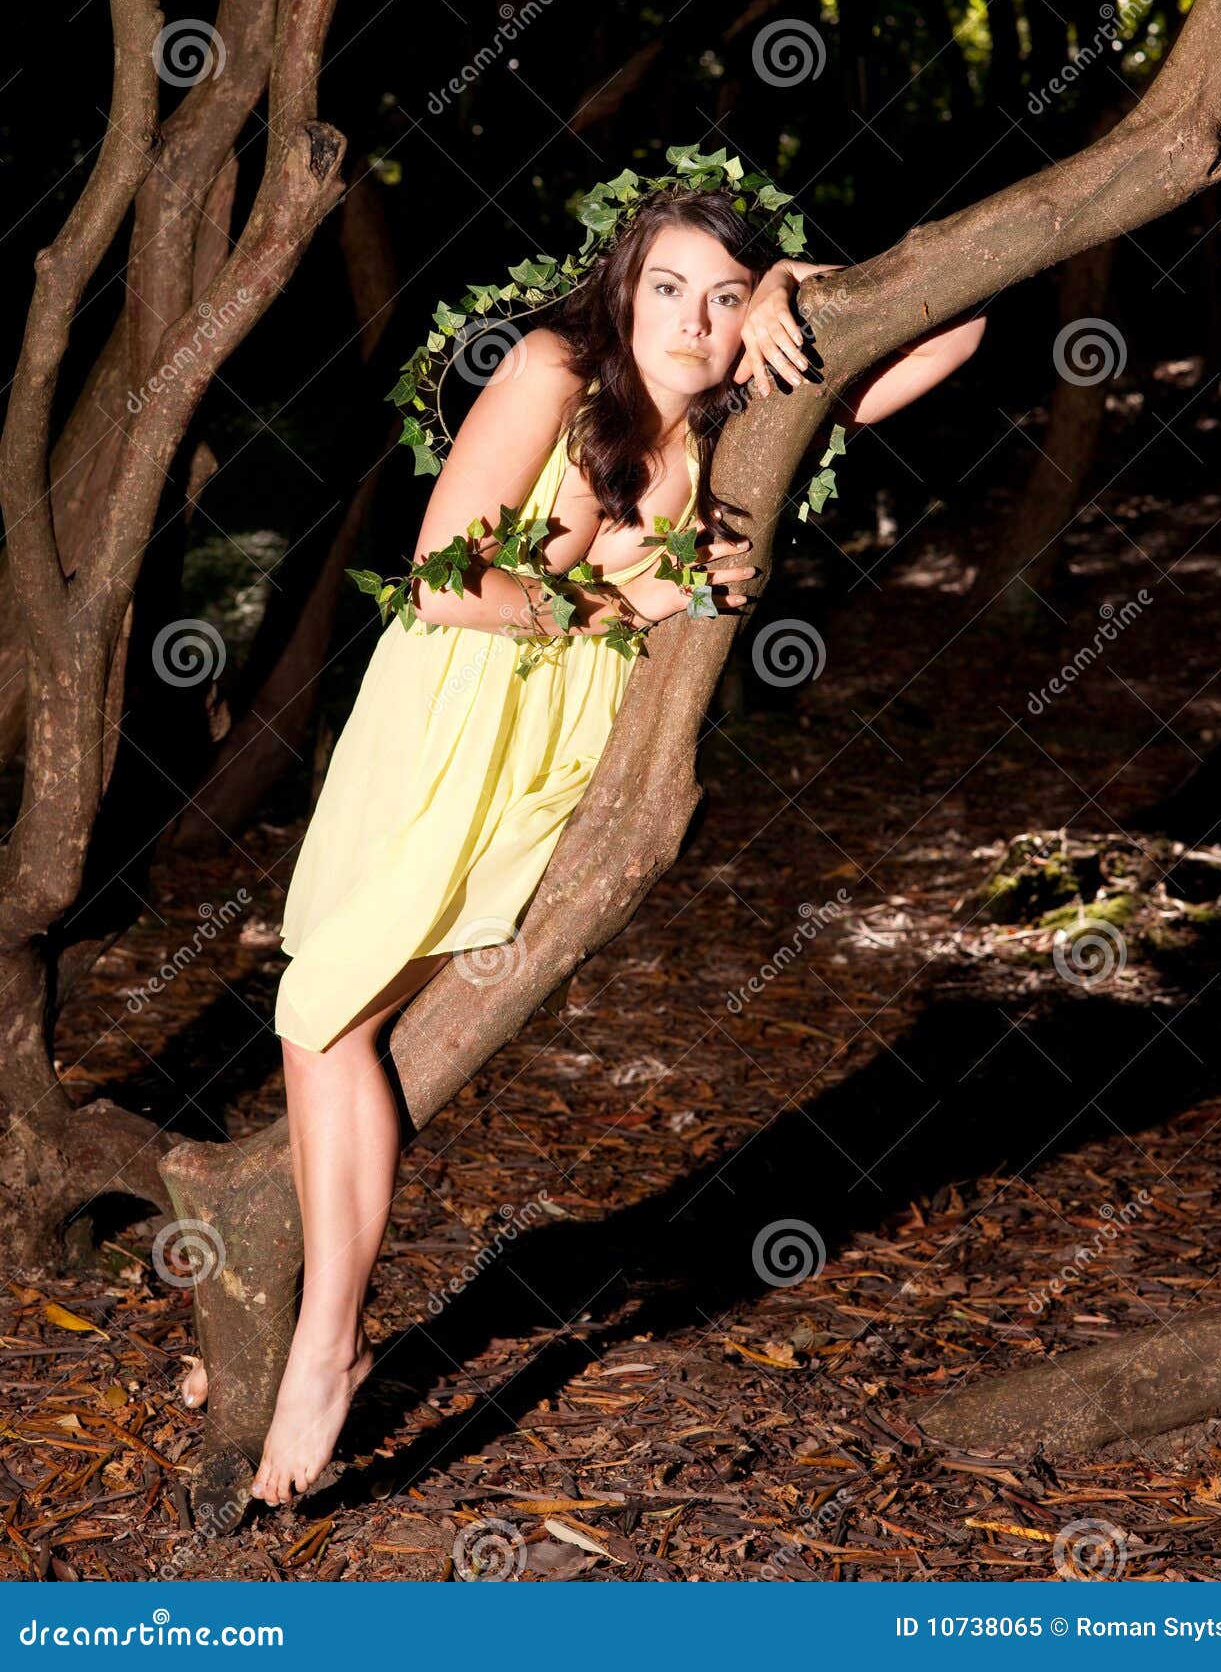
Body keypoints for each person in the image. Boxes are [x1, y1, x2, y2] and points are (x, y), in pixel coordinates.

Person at [178, 184, 986, 1507]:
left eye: (721, 298)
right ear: (622, 287)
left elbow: (962, 315)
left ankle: (324, 1344)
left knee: (325, 1019)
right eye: (668, 287)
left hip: (555, 743)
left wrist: (795, 282)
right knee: (325, 1014)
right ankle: (318, 1330)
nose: (693, 321)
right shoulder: (558, 370)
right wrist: (628, 591)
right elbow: (442, 574)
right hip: (443, 711)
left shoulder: (749, 406)